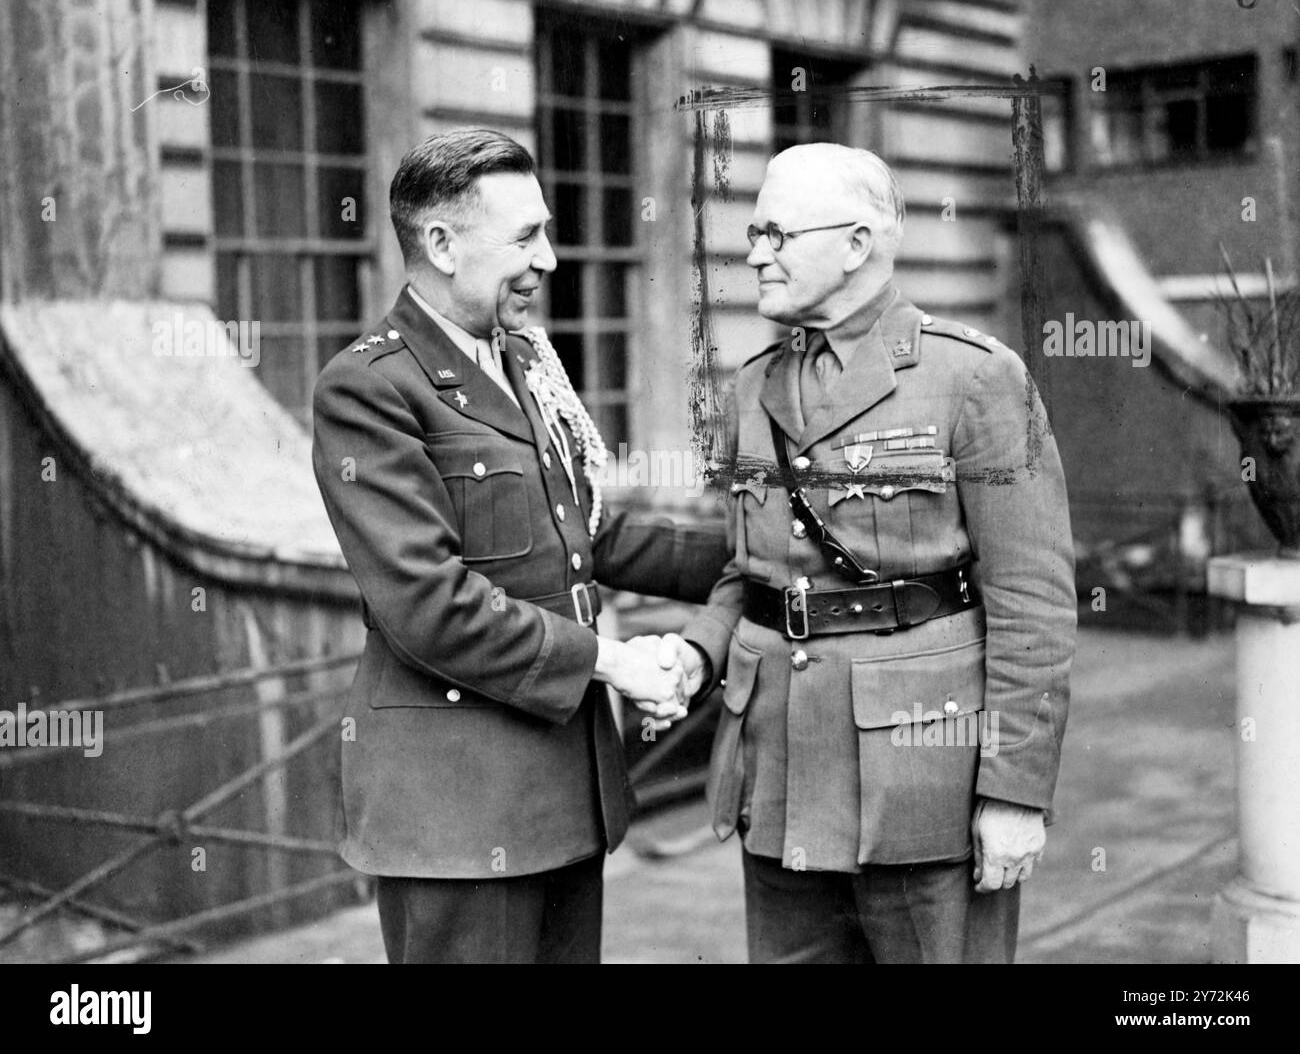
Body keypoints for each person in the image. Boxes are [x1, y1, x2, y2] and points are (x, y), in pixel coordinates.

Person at [311, 128, 724, 964]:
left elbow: (583, 532)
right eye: (527, 236)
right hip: (459, 814)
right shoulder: (370, 387)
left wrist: (760, 543)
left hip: (562, 798)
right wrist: (614, 662)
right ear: (440, 243)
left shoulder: (522, 363)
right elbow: (428, 604)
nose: (552, 258)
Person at [669, 143, 1077, 963]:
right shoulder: (752, 386)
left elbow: (1032, 602)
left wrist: (1015, 794)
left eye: (778, 234)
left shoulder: (972, 379)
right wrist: (695, 652)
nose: (755, 253)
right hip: (779, 775)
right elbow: (748, 572)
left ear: (857, 243)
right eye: (754, 233)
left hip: (920, 785)